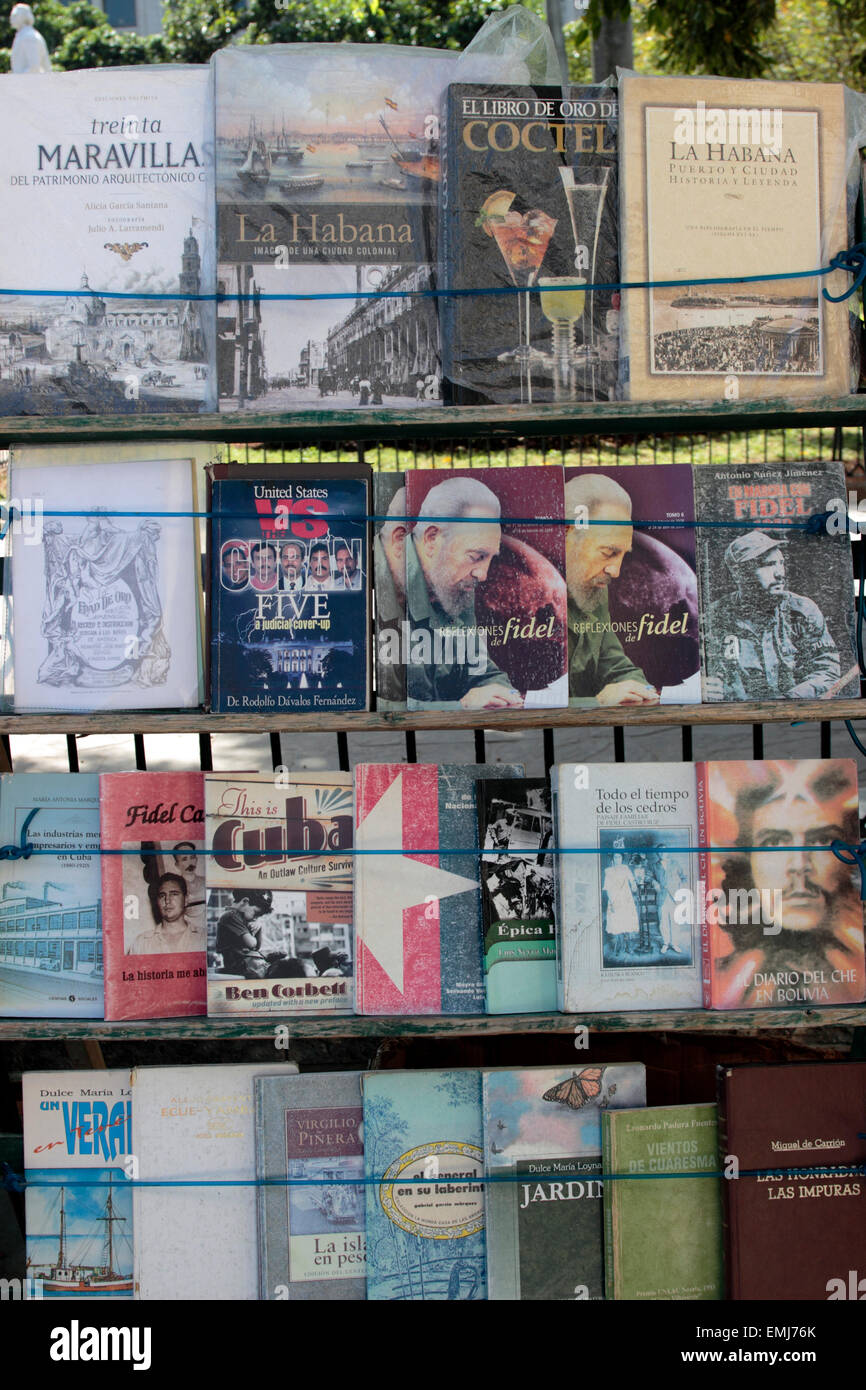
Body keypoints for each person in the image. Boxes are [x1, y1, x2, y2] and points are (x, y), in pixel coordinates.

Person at [712, 761, 864, 1006]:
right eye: (774, 842)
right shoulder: (726, 980)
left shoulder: (855, 973)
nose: (799, 864)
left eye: (822, 840)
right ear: (748, 860)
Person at [405, 476, 523, 709]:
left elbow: (481, 671)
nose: (483, 574)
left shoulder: (454, 583)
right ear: (432, 539)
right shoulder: (382, 579)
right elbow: (386, 702)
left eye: (490, 558)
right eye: (477, 556)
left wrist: (505, 694)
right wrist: (461, 707)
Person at [704, 531, 842, 701]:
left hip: (791, 712)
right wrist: (700, 687)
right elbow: (695, 669)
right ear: (739, 573)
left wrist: (792, 698)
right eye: (768, 564)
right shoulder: (715, 616)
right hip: (736, 715)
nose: (780, 574)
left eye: (781, 563)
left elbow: (828, 670)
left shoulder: (802, 611)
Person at [564, 474, 658, 706]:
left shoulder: (592, 588)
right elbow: (523, 695)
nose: (615, 571)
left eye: (623, 554)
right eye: (608, 553)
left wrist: (638, 688)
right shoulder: (519, 594)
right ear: (566, 535)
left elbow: (614, 663)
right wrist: (596, 703)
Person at [129, 873, 205, 955]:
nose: (167, 900)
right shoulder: (141, 943)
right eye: (162, 896)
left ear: (186, 899)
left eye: (174, 894)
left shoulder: (203, 938)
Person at [215, 891, 272, 978]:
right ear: (245, 902)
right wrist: (255, 929)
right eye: (256, 913)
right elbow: (252, 944)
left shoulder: (242, 917)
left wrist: (259, 926)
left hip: (248, 961)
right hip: (238, 964)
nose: (255, 918)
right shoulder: (231, 916)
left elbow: (257, 947)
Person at [602, 851, 639, 960]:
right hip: (614, 899)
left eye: (619, 857)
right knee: (616, 922)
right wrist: (612, 902)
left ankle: (628, 946)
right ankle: (619, 947)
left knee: (627, 921)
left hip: (626, 899)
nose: (617, 859)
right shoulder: (608, 871)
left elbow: (632, 880)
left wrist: (633, 885)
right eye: (615, 857)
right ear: (612, 859)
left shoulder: (625, 869)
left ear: (622, 858)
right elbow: (607, 888)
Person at [10, 4, 51, 73]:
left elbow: (34, 67)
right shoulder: (23, 35)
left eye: (15, 15)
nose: (11, 18)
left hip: (30, 82)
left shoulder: (29, 37)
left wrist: (17, 80)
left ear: (23, 17)